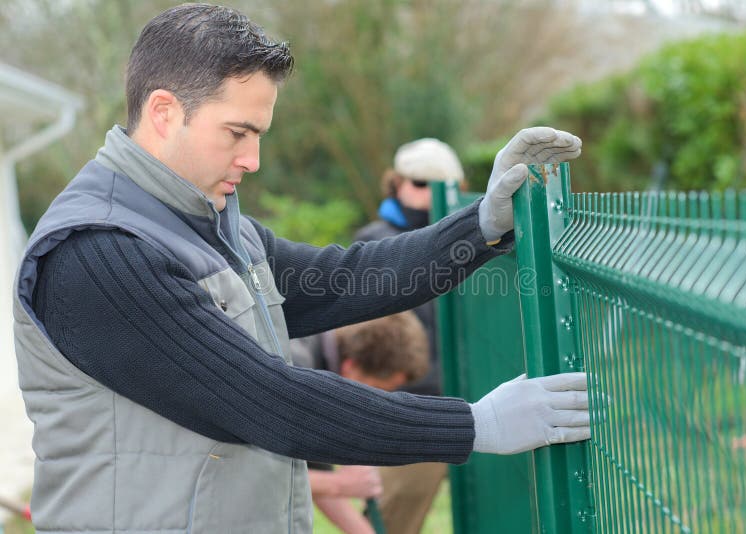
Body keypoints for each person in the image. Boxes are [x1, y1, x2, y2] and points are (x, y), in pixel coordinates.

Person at [12, 4, 588, 534]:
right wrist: (474, 426)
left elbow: (344, 280)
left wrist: (482, 224)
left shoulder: (218, 226)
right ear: (164, 112)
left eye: (258, 136)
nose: (252, 160)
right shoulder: (97, 253)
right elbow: (270, 402)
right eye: (237, 133)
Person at [354, 138, 464, 533]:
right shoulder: (374, 243)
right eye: (419, 183)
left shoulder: (467, 244)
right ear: (396, 183)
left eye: (440, 187)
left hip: (467, 400)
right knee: (392, 522)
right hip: (407, 409)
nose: (426, 196)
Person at [291, 311, 431, 534]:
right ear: (352, 368)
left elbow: (308, 470)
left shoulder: (321, 364)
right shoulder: (294, 369)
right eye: (378, 391)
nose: (375, 405)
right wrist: (341, 484)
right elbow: (261, 472)